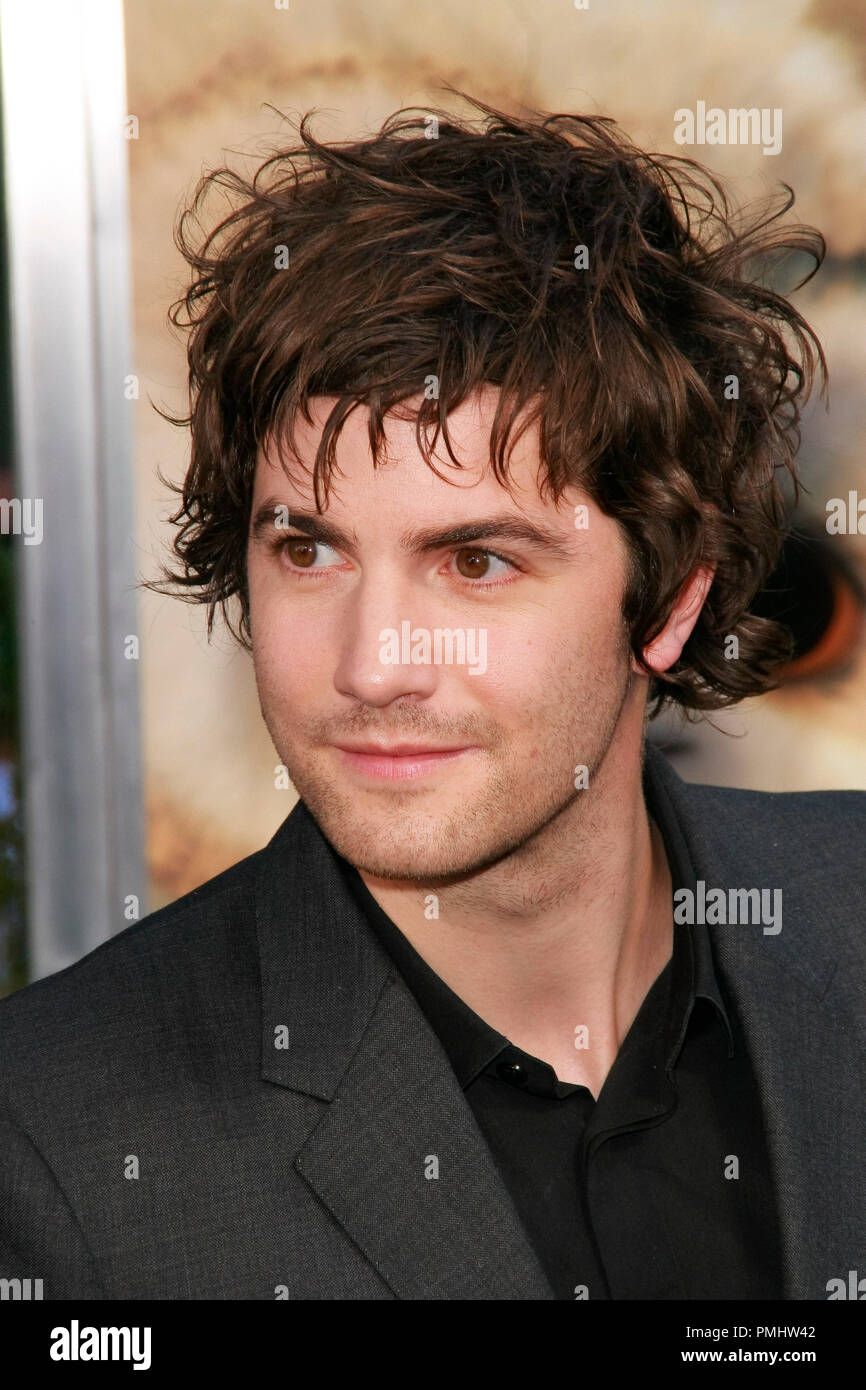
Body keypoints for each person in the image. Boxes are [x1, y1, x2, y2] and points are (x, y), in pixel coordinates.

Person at [1, 94, 863, 1301]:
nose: (370, 663)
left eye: (476, 562)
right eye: (308, 551)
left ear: (668, 603)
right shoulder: (53, 1146)